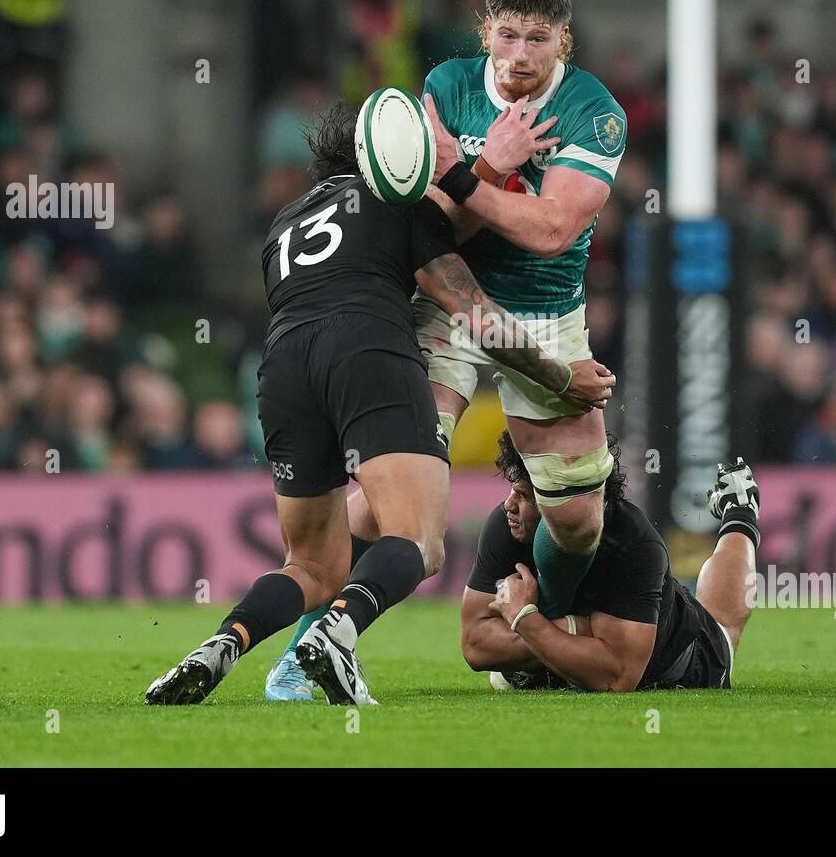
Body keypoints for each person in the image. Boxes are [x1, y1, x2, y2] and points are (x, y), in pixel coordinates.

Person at [145, 102, 614, 707]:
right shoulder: (399, 205)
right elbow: (474, 314)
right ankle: (336, 635)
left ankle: (224, 642)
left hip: (283, 366)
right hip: (367, 349)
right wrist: (556, 376)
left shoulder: (283, 224)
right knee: (418, 542)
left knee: (312, 564)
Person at [345, 0, 630, 637]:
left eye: (537, 39)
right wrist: (494, 166)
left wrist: (464, 175)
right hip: (448, 301)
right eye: (507, 35)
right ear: (484, 33)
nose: (520, 54)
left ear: (563, 39)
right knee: (395, 496)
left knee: (577, 520)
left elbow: (553, 230)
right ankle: (311, 644)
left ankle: (541, 622)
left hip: (544, 311)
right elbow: (430, 226)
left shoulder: (595, 111)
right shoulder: (446, 86)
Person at [460, 433, 761, 692]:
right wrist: (573, 631)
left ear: (559, 501)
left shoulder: (634, 542)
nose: (509, 505)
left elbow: (616, 677)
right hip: (565, 659)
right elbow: (475, 645)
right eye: (513, 489)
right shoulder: (508, 523)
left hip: (681, 659)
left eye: (525, 495)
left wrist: (524, 619)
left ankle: (741, 512)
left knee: (724, 626)